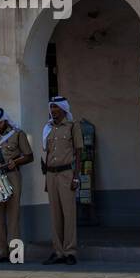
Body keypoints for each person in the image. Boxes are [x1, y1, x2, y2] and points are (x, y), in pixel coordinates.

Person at [0, 107, 32, 263]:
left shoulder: (18, 134)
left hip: (12, 176)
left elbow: (29, 156)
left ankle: (15, 254)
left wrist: (16, 162)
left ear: (5, 120)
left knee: (13, 216)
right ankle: (2, 252)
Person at [41, 96, 82, 265]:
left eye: (56, 108)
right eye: (51, 108)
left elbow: (79, 152)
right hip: (51, 174)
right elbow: (46, 152)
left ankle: (70, 251)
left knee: (69, 213)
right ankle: (58, 251)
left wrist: (77, 177)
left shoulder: (73, 126)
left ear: (64, 109)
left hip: (67, 173)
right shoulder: (48, 128)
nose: (53, 111)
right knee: (55, 214)